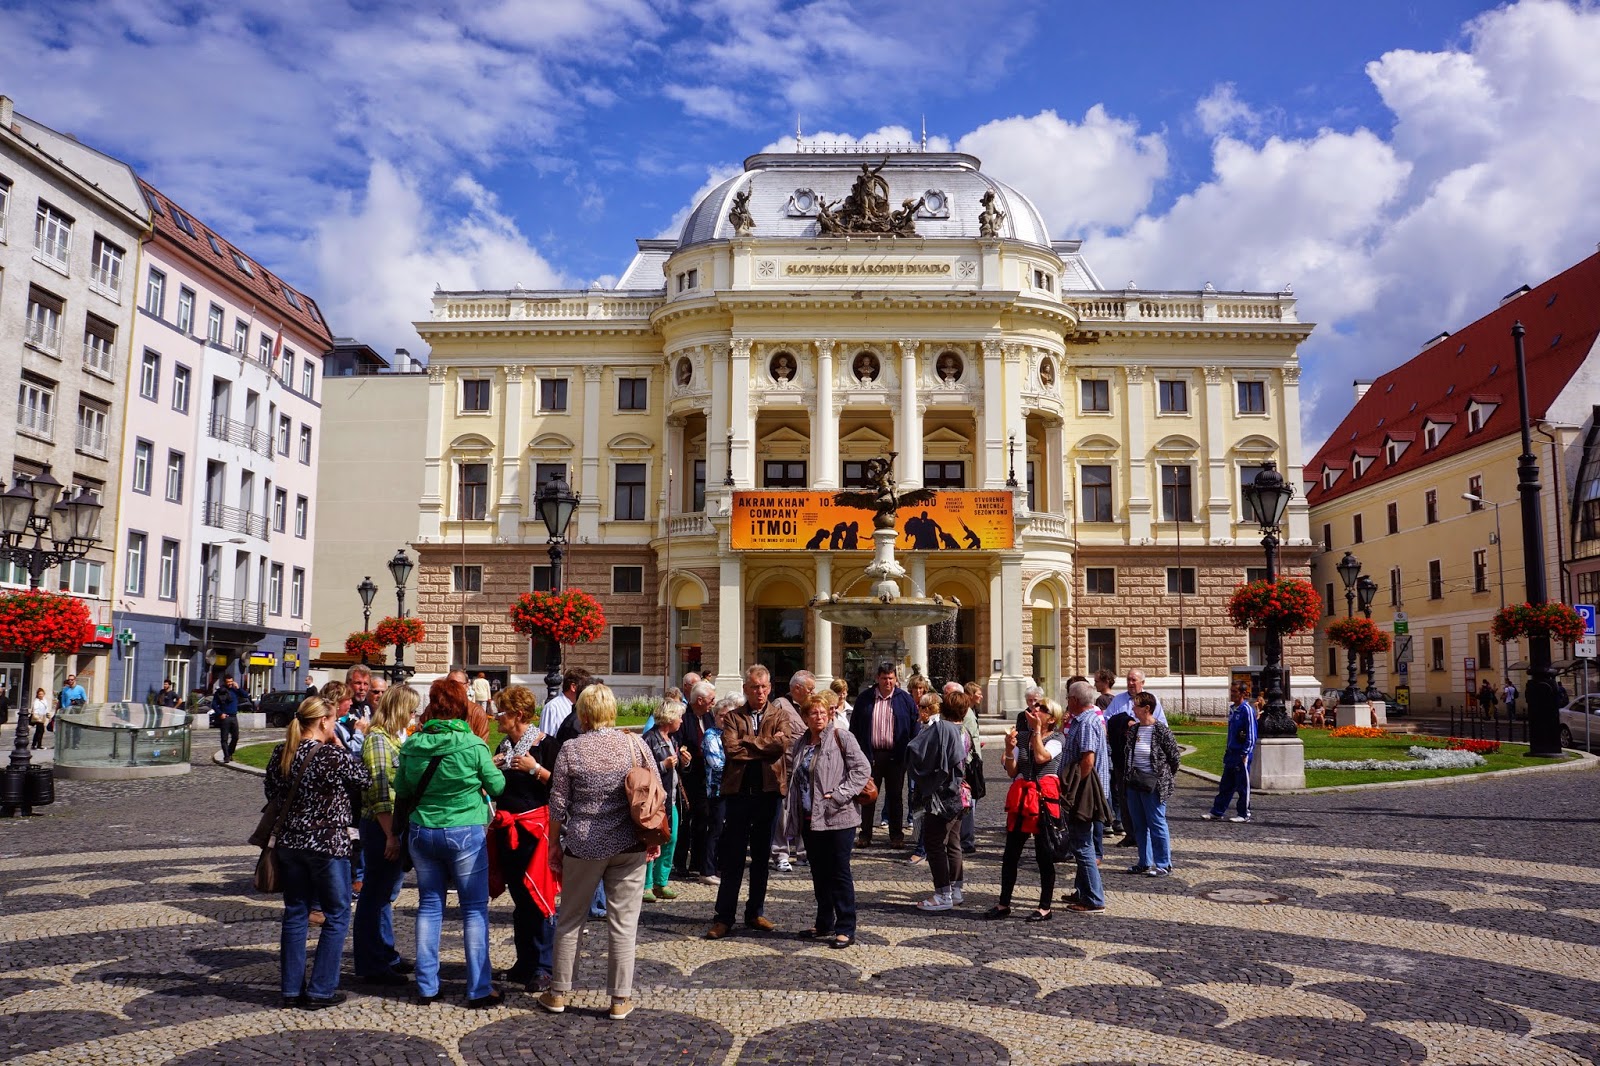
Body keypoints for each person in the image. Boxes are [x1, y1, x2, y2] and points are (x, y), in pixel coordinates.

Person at [539, 683, 659, 1021]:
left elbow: (558, 805)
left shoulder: (572, 750)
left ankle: (559, 991)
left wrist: (552, 846)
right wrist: (653, 840)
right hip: (629, 845)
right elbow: (656, 791)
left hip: (583, 844)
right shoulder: (635, 744)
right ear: (612, 712)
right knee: (623, 924)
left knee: (571, 919)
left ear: (584, 714)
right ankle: (620, 999)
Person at [392, 677, 505, 1008]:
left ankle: (427, 985)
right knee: (473, 910)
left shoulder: (413, 746)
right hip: (464, 830)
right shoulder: (472, 745)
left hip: (422, 831)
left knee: (429, 905)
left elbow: (403, 787)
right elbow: (497, 787)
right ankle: (478, 988)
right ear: (461, 707)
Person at [265, 695, 371, 1009]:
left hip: (291, 843)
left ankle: (290, 990)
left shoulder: (282, 752)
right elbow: (363, 778)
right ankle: (321, 988)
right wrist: (340, 747)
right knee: (337, 915)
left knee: (296, 914)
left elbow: (272, 792)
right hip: (327, 844)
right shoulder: (331, 756)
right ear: (324, 721)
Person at [706, 665, 796, 940]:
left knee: (760, 858)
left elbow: (782, 745)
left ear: (770, 688)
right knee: (732, 858)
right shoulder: (733, 717)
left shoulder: (780, 715)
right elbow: (731, 749)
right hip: (738, 794)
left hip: (768, 794)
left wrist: (750, 744)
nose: (760, 691)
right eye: (755, 687)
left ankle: (755, 911)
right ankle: (724, 917)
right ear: (746, 689)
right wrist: (763, 746)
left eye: (764, 687)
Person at [784, 693, 871, 948]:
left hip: (839, 816)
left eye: (823, 712)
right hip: (811, 818)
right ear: (805, 717)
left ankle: (846, 927)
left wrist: (840, 795)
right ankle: (824, 923)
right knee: (819, 872)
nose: (819, 717)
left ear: (830, 714)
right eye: (813, 713)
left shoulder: (841, 737)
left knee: (839, 871)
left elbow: (862, 769)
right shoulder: (801, 743)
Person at [488, 685, 560, 991]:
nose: (495, 717)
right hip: (509, 832)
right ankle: (525, 962)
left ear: (518, 715)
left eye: (501, 712)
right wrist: (489, 769)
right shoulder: (503, 746)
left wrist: (536, 770)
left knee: (539, 899)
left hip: (536, 832)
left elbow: (561, 787)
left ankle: (544, 966)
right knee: (520, 898)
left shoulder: (547, 746)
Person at [352, 682, 419, 986]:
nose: (413, 715)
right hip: (382, 826)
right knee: (373, 895)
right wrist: (391, 836)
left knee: (383, 896)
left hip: (392, 825)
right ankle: (370, 962)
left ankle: (385, 953)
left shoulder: (391, 739)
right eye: (411, 710)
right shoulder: (377, 741)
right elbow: (380, 793)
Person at [989, 697, 1064, 921]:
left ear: (1052, 719)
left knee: (1044, 855)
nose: (1036, 709)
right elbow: (1012, 771)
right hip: (1022, 799)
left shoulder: (1058, 738)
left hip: (1043, 799)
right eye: (1036, 706)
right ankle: (1004, 904)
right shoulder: (1022, 736)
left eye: (1042, 708)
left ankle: (1045, 907)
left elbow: (1041, 757)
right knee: (1011, 854)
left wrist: (1038, 731)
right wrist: (1009, 749)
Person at [908, 690, 972, 912]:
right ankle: (955, 890)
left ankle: (942, 894)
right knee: (953, 842)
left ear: (942, 708)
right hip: (960, 795)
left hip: (942, 796)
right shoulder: (965, 731)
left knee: (934, 844)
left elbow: (916, 750)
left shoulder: (941, 730)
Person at [849, 662, 917, 849]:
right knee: (868, 796)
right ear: (877, 678)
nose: (887, 682)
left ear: (896, 679)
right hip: (870, 756)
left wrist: (909, 753)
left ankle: (896, 835)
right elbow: (854, 728)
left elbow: (914, 728)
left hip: (896, 756)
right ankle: (865, 834)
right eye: (884, 678)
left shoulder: (905, 699)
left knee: (895, 797)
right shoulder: (865, 699)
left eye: (891, 678)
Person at [1061, 681, 1110, 913]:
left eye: (1068, 697)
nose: (1066, 701)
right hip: (1085, 789)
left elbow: (1087, 761)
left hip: (1086, 791)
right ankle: (1082, 891)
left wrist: (1073, 788)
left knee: (1082, 844)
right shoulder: (1083, 720)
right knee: (1082, 841)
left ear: (1074, 700)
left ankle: (1093, 897)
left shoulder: (1087, 723)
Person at [1122, 693, 1182, 877]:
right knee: (1139, 824)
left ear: (1147, 708)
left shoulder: (1161, 730)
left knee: (1156, 823)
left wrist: (1162, 777)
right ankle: (1144, 861)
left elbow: (1174, 758)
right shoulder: (1134, 730)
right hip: (1135, 782)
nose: (1133, 709)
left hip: (1153, 784)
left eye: (1136, 706)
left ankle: (1164, 863)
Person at [642, 700, 691, 900]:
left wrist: (684, 763)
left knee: (671, 839)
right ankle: (646, 885)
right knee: (653, 841)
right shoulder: (650, 739)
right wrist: (663, 765)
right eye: (679, 716)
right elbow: (643, 771)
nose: (681, 720)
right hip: (655, 800)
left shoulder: (671, 738)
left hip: (671, 798)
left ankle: (661, 882)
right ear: (670, 717)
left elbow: (676, 770)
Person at [1205, 681, 1257, 823]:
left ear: (1242, 694)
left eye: (1235, 691)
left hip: (1241, 754)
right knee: (1226, 784)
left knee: (1242, 785)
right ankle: (1217, 811)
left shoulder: (1247, 710)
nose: (1232, 694)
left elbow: (1251, 734)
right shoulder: (1233, 709)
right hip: (1231, 752)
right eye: (1231, 691)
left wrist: (1246, 753)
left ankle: (1244, 813)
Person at [1103, 669, 1167, 724]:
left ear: (1142, 683)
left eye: (1134, 680)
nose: (1130, 683)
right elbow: (1106, 720)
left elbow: (1162, 722)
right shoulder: (1118, 699)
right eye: (1128, 680)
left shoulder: (1151, 699)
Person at [539, 668, 588, 736]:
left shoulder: (584, 707)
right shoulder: (552, 708)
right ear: (573, 687)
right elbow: (545, 738)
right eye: (585, 687)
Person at [212, 676, 242, 763]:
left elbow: (245, 695)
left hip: (234, 717)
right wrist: (220, 713)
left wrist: (238, 688)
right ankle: (226, 756)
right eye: (228, 682)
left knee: (235, 737)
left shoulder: (235, 690)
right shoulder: (220, 691)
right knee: (224, 738)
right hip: (225, 717)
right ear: (225, 682)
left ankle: (230, 752)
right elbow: (214, 704)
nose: (230, 683)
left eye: (231, 681)